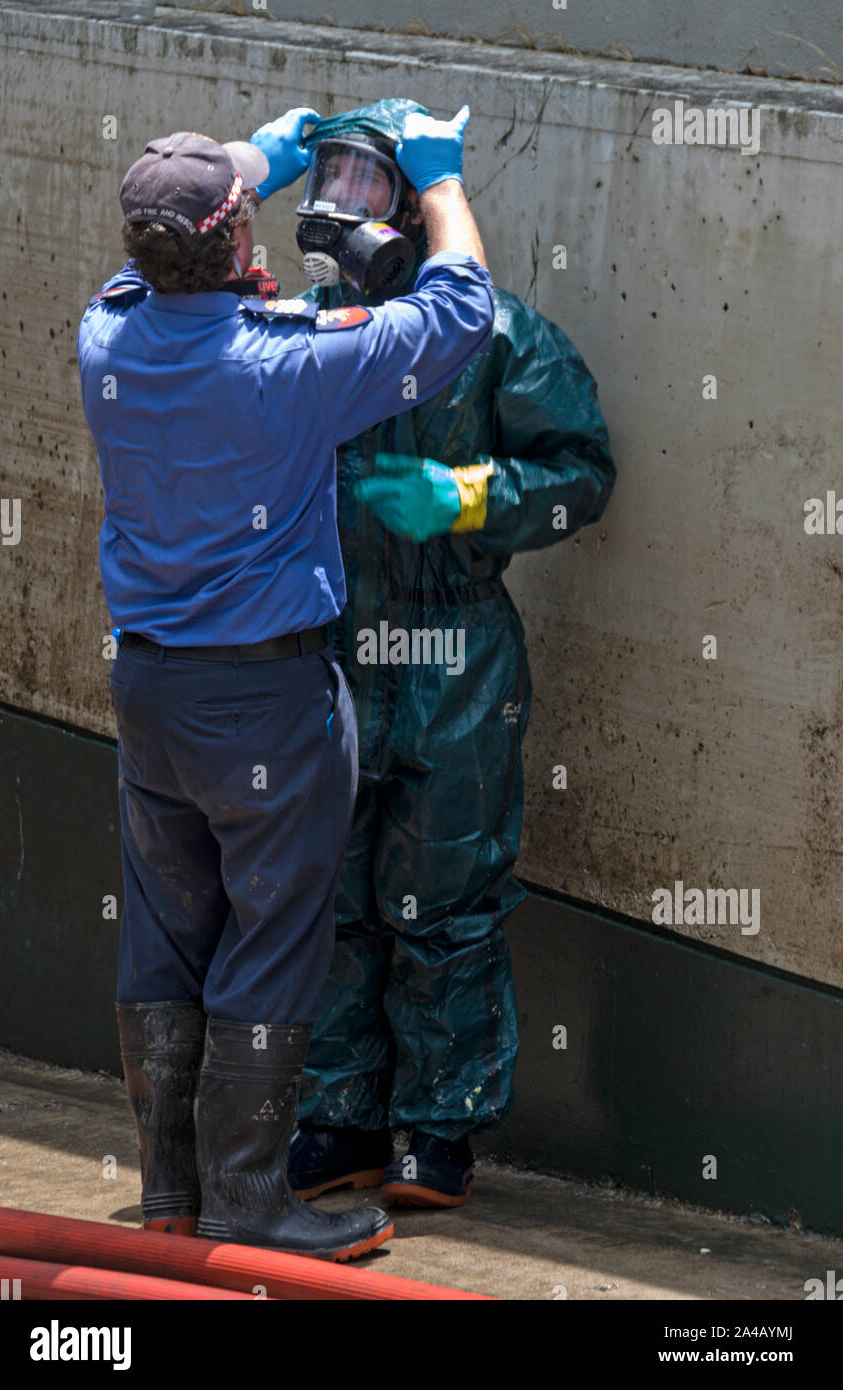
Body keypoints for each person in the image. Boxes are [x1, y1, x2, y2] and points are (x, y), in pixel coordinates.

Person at [77, 105, 495, 1258]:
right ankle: (252, 1195)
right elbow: (458, 311)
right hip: (266, 700)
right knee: (271, 935)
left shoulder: (105, 338)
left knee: (166, 929)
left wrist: (255, 156)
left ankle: (172, 1192)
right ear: (241, 244)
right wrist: (437, 178)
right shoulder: (290, 367)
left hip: (149, 693)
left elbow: (161, 257)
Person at [286, 98, 617, 1209]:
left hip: (454, 658)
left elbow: (581, 478)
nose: (341, 201)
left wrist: (472, 497)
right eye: (326, 173)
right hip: (325, 651)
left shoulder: (497, 335)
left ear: (419, 202)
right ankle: (337, 1121)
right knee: (327, 899)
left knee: (446, 902)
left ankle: (437, 1130)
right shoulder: (295, 331)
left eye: (367, 179)